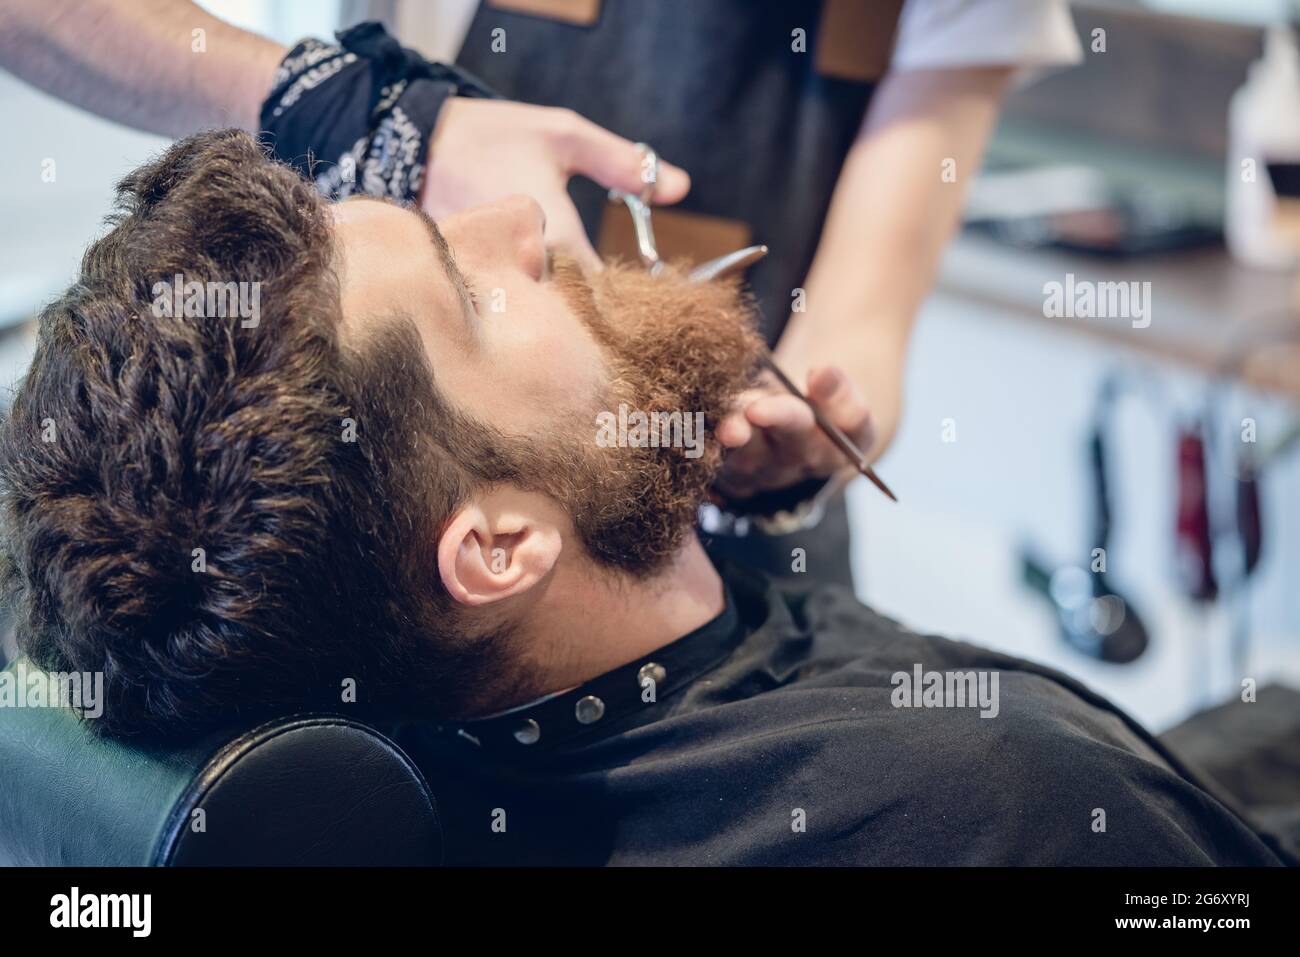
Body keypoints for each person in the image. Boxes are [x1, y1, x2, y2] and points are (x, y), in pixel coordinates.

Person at [0, 131, 1288, 866]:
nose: (519, 219)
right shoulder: (1009, 810)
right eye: (470, 287)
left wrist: (703, 498)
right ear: (499, 547)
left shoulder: (454, 714)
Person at [344, 0, 1085, 588]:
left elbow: (862, 321)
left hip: (740, 546)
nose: (512, 231)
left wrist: (807, 434)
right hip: (410, 492)